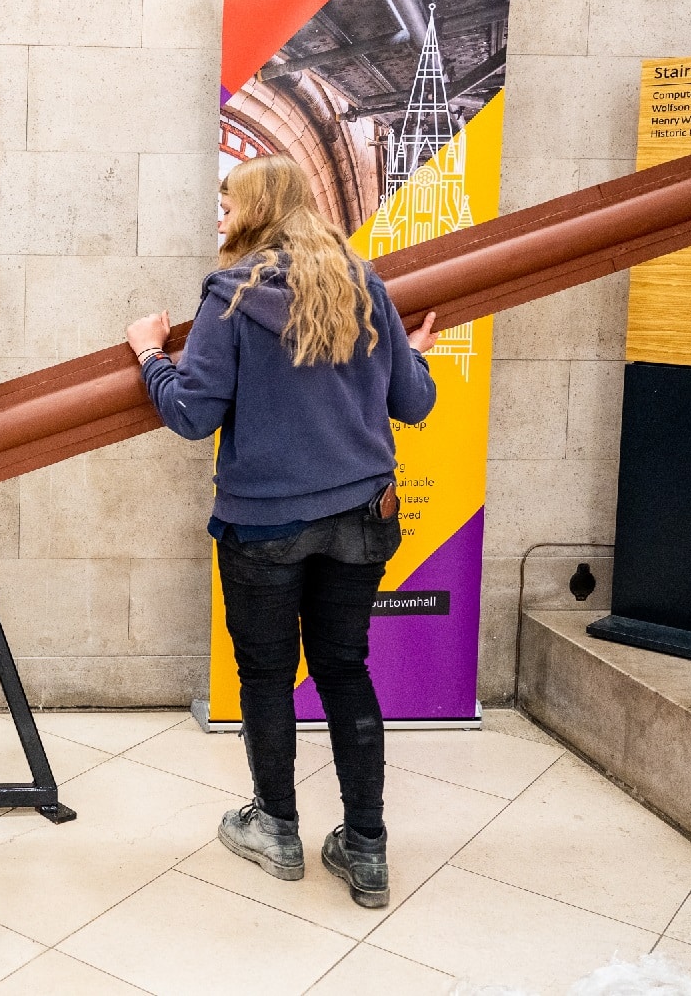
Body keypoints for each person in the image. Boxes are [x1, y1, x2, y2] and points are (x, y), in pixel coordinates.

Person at [124, 153, 437, 910]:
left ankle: (277, 829)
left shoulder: (231, 297)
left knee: (266, 675)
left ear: (259, 208)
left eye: (229, 201)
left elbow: (193, 413)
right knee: (345, 669)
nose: (221, 214)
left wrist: (148, 354)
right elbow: (414, 403)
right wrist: (411, 360)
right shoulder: (364, 286)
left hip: (264, 523)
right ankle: (366, 847)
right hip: (363, 517)